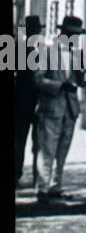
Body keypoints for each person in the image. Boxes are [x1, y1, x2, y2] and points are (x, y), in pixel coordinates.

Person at [34, 15, 86, 202]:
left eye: (77, 36)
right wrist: (59, 86)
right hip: (51, 107)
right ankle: (42, 188)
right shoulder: (47, 51)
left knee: (62, 150)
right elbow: (38, 80)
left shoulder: (76, 54)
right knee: (47, 148)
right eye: (72, 35)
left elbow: (82, 82)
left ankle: (56, 185)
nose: (75, 39)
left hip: (69, 109)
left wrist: (82, 71)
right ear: (63, 33)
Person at [15, 15, 43, 187]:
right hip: (29, 100)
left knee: (25, 141)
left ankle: (29, 175)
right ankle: (33, 176)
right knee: (28, 141)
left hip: (27, 101)